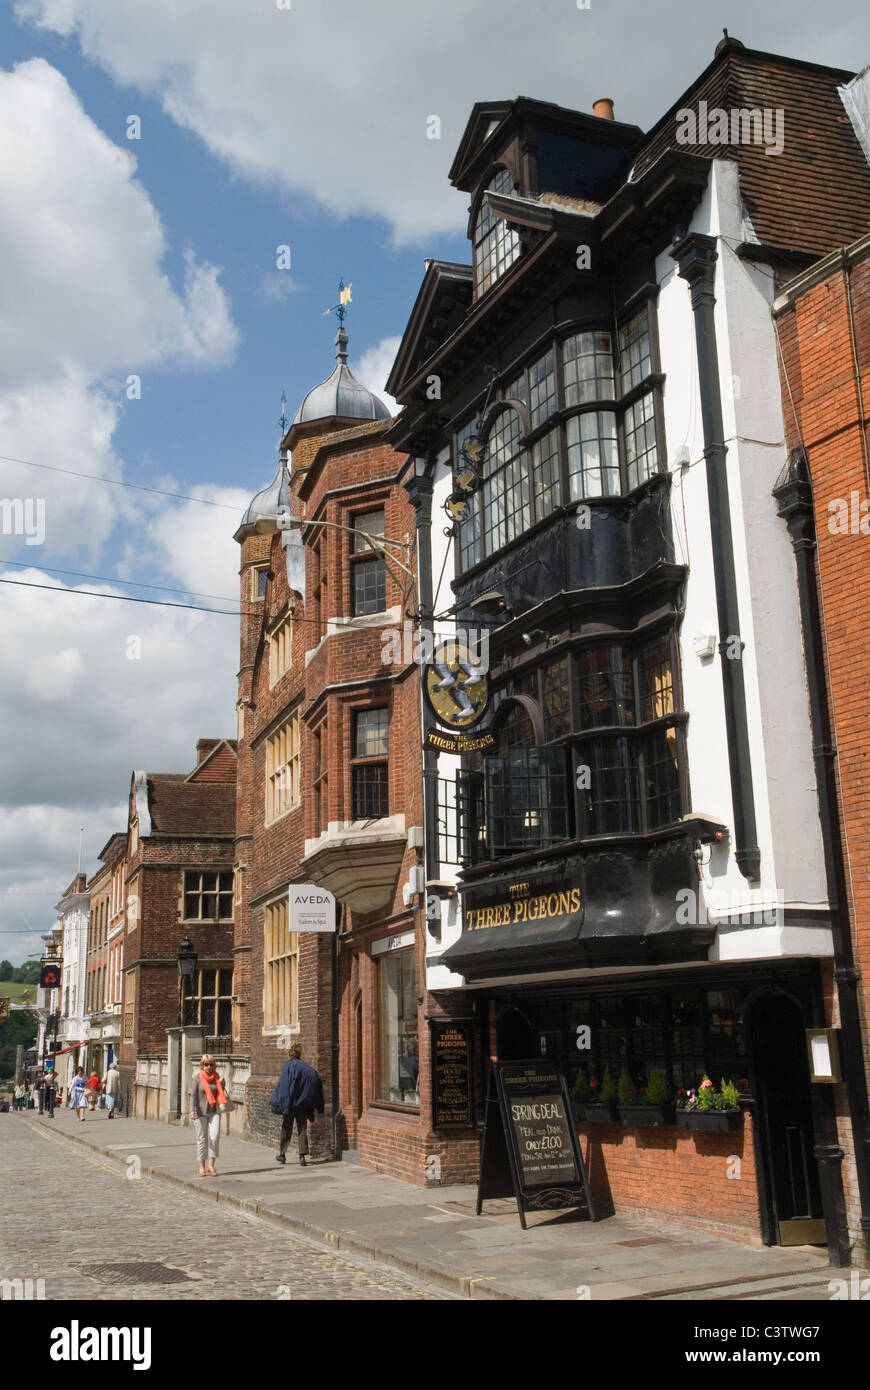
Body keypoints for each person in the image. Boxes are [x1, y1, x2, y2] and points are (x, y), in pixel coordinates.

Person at [270, 1041, 324, 1167]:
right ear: (300, 1053)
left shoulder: (286, 1067)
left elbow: (283, 1087)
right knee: (302, 1128)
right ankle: (302, 1156)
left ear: (289, 1053)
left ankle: (282, 1155)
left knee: (286, 1128)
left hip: (289, 1104)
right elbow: (316, 1079)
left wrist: (284, 1105)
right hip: (303, 1105)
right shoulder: (307, 1068)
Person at [189, 1054, 228, 1178]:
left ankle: (211, 1165)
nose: (209, 1067)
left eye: (211, 1064)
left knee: (215, 1136)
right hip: (200, 1112)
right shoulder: (197, 1078)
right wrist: (191, 1110)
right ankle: (202, 1166)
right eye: (206, 1064)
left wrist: (223, 1084)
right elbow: (193, 1096)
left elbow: (220, 1093)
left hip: (214, 1111)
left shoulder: (216, 1077)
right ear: (202, 1065)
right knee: (202, 1139)